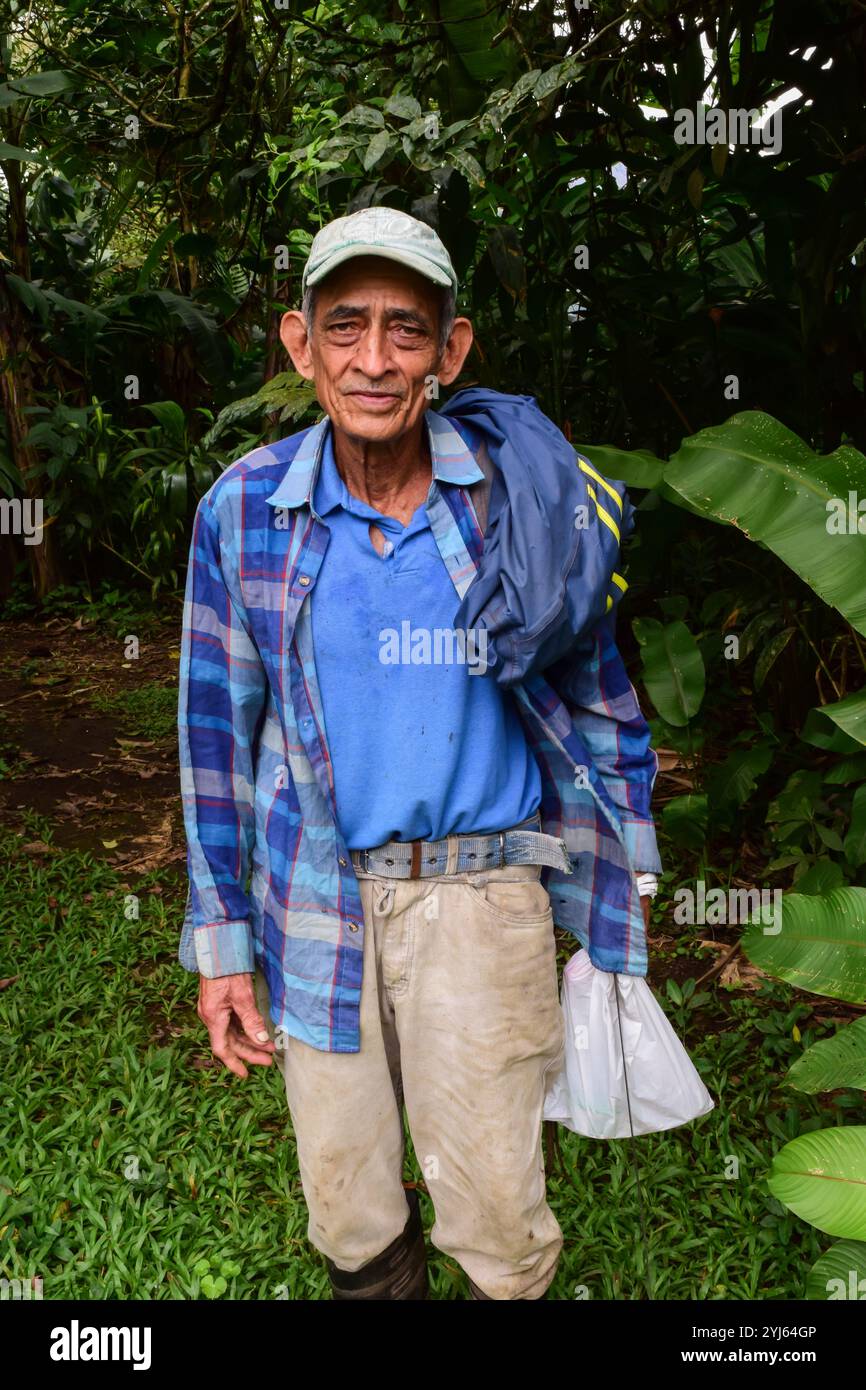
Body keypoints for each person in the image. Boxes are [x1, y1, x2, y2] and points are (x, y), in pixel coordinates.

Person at [177, 206, 662, 1300]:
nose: (374, 359)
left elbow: (599, 707)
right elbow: (213, 738)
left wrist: (619, 903)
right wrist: (221, 946)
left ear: (450, 352)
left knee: (494, 1209)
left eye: (407, 330)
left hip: (481, 899)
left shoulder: (513, 498)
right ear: (300, 346)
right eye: (343, 327)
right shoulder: (244, 510)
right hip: (315, 894)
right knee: (347, 1202)